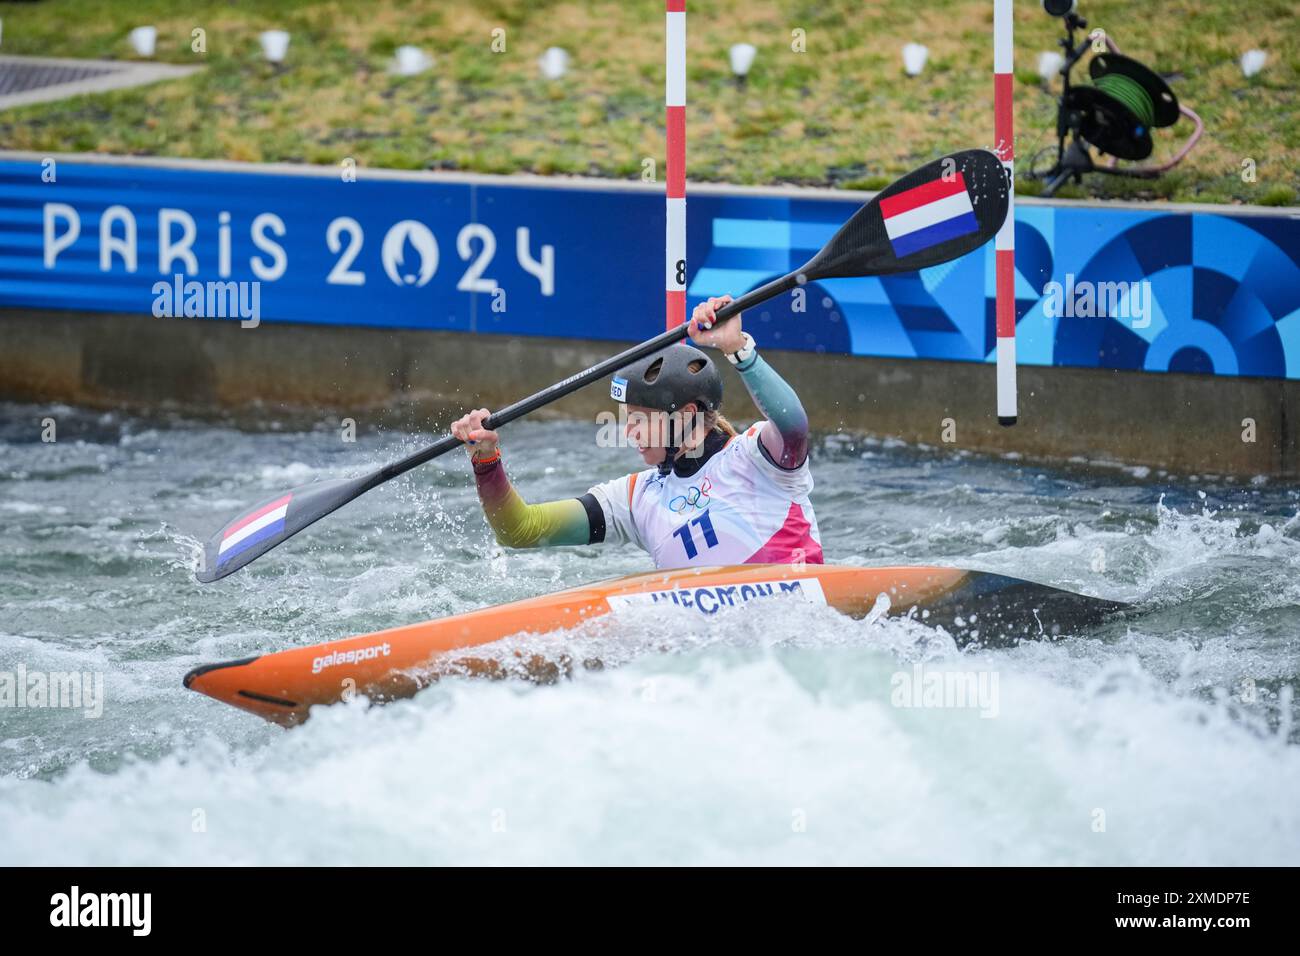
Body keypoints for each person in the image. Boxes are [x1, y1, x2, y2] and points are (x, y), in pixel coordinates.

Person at [450, 295, 823, 569]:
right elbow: (521, 530)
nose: (629, 431)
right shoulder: (634, 498)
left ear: (688, 415)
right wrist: (486, 461)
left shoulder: (756, 459)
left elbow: (793, 424)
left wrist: (738, 349)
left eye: (641, 418)